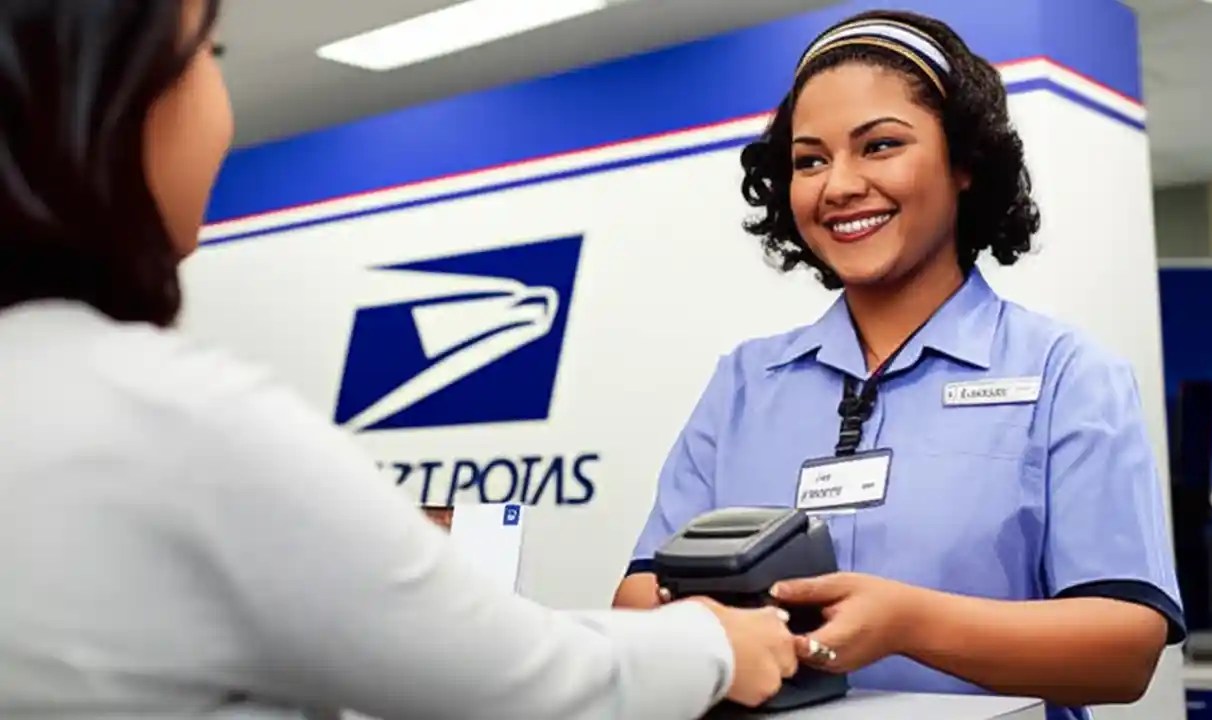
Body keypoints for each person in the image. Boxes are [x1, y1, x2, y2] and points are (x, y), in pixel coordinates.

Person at [0, 2, 800, 718]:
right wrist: (716, 643)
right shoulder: (181, 421)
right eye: (208, 55)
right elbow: (519, 682)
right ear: (108, 95)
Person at [613, 10, 1184, 720]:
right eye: (810, 161)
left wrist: (909, 623)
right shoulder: (744, 383)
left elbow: (1125, 650)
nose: (839, 186)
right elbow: (639, 598)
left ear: (964, 163)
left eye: (880, 146)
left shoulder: (1066, 374)